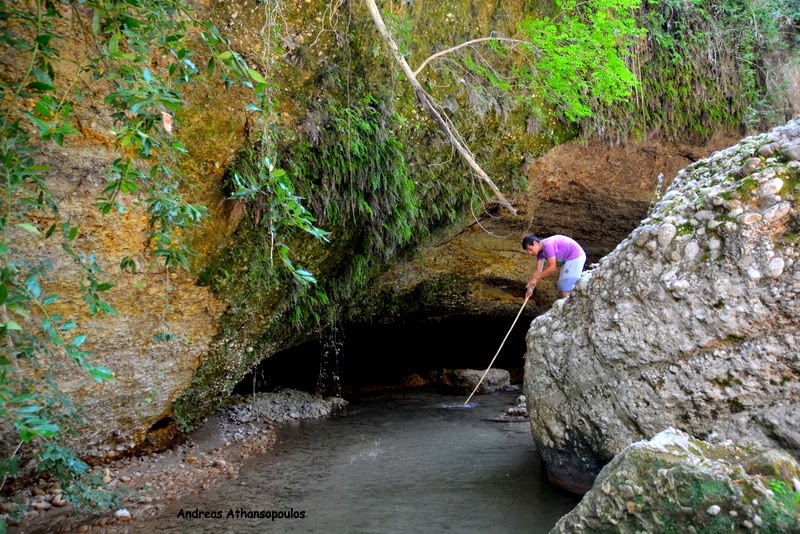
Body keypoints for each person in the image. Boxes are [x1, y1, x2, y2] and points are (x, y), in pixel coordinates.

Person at [522, 234, 586, 299]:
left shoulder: (548, 245)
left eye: (530, 249)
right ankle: (564, 306)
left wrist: (536, 278)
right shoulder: (540, 252)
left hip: (576, 256)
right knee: (560, 286)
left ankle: (569, 307)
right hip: (568, 260)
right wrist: (530, 289)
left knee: (565, 286)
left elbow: (552, 267)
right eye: (527, 251)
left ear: (535, 243)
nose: (529, 253)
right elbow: (538, 270)